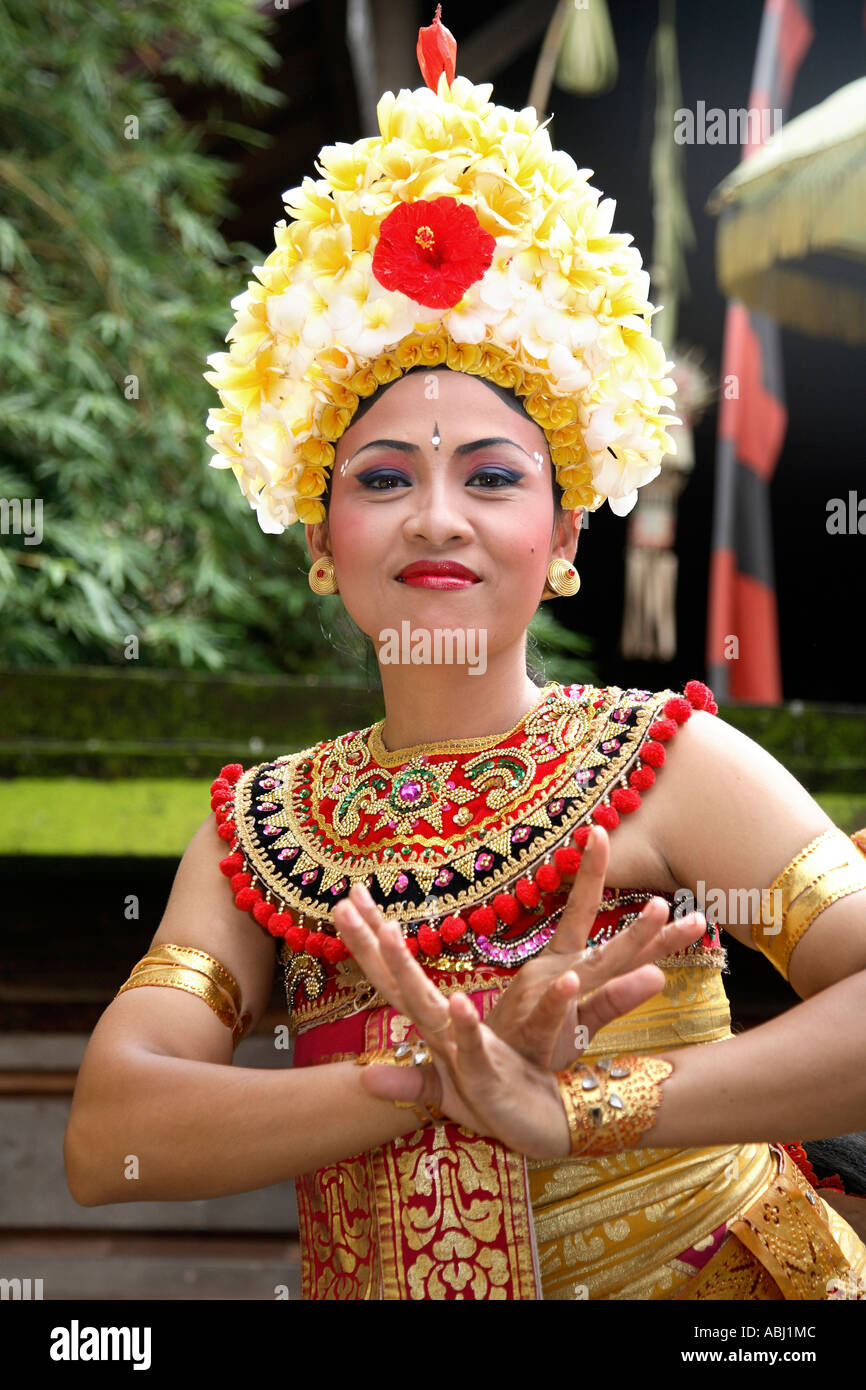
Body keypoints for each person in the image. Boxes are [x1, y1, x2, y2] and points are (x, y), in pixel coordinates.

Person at [64, 13, 866, 1300]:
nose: (436, 515)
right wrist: (440, 1081)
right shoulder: (257, 832)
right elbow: (110, 1139)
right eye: (383, 477)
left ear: (560, 532)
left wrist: (584, 1107)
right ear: (322, 535)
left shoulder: (663, 760)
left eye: (491, 476)